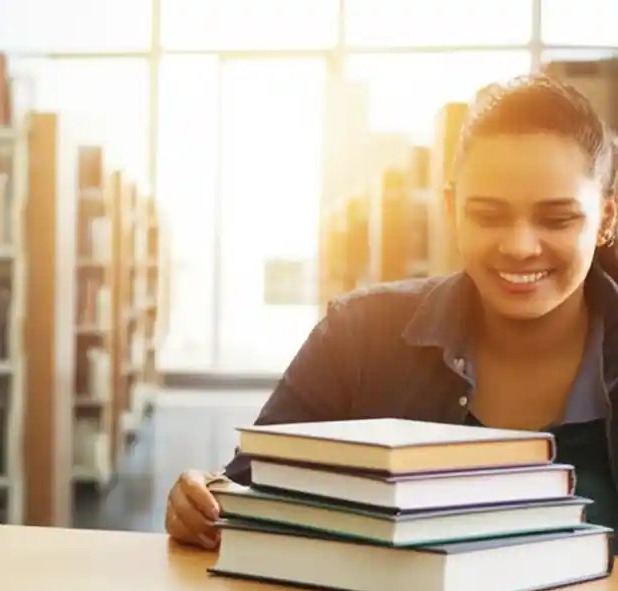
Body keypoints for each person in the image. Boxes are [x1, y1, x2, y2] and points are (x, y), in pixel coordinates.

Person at [166, 73, 618, 551]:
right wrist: (201, 502)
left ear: (606, 218)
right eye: (488, 215)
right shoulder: (358, 335)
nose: (520, 246)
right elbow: (248, 489)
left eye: (557, 219)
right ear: (452, 209)